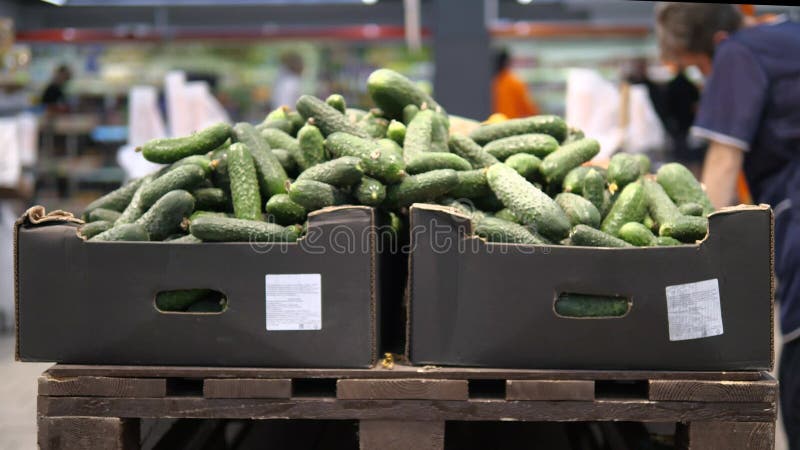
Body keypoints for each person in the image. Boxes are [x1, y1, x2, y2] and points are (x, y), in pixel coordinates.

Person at [656, 3, 800, 447]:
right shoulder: (789, 34)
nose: (701, 77)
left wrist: (688, 250)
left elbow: (722, 163)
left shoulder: (736, 53)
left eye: (697, 67)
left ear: (714, 44)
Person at [492, 49, 539, 119]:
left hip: (494, 123)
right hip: (510, 123)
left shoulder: (494, 81)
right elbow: (529, 109)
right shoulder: (514, 82)